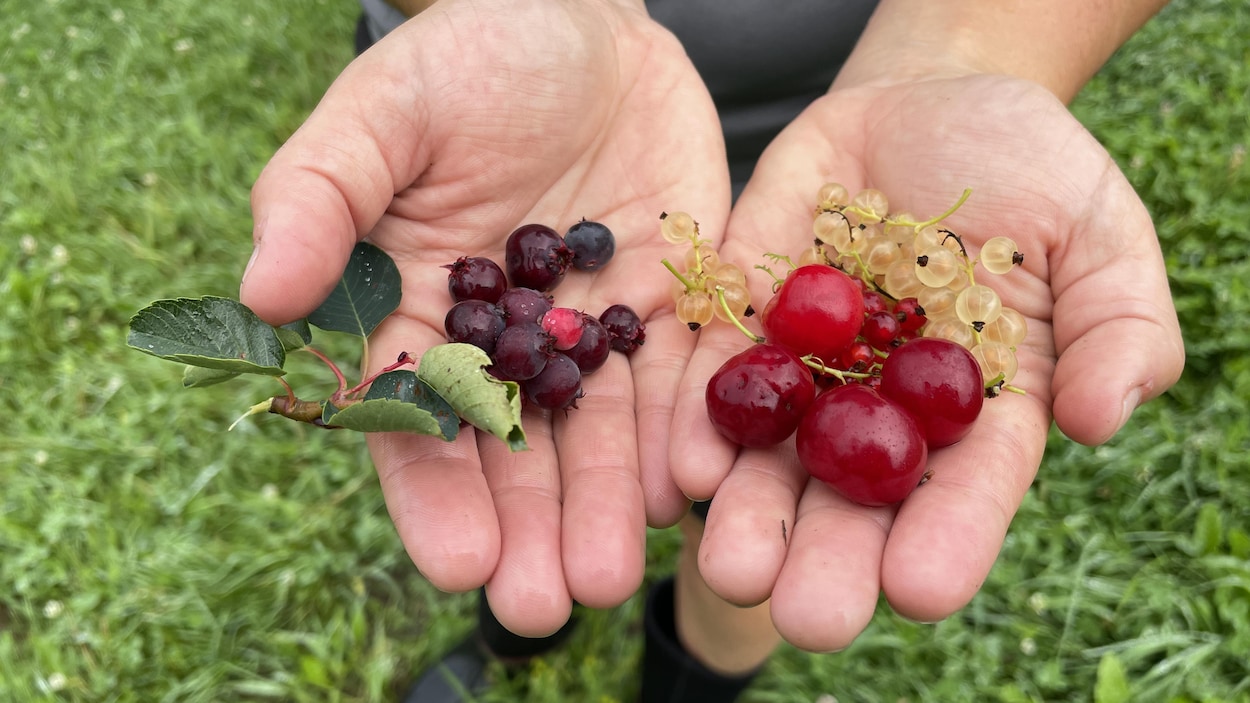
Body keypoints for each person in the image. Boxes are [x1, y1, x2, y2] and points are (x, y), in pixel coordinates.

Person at [240, 0, 1186, 700]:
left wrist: (968, 55)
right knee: (532, 484)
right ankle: (507, 643)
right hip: (539, 115)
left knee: (739, 525)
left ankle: (686, 688)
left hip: (842, 151)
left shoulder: (841, 297)